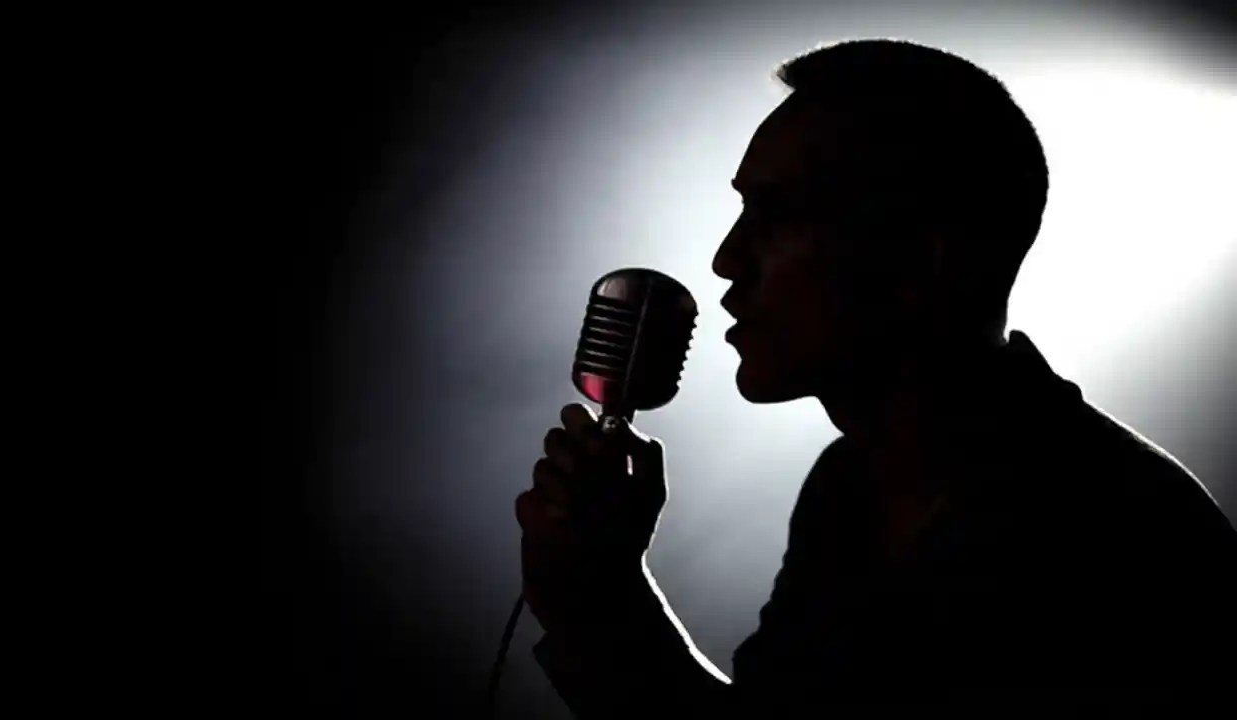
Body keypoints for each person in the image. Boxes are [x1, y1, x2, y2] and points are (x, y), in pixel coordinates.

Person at [514, 38, 1237, 717]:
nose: (727, 261)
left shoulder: (1107, 541)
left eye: (777, 215)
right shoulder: (848, 484)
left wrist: (605, 610)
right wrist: (602, 596)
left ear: (929, 254)